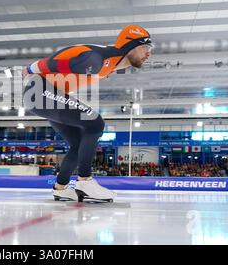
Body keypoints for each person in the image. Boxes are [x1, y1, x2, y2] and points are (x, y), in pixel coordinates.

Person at [23, 24, 152, 202]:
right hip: (40, 91)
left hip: (49, 94)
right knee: (95, 123)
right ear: (132, 46)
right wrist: (30, 68)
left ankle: (60, 188)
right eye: (146, 47)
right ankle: (85, 181)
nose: (148, 54)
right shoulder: (96, 59)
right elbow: (53, 62)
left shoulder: (110, 64)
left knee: (78, 143)